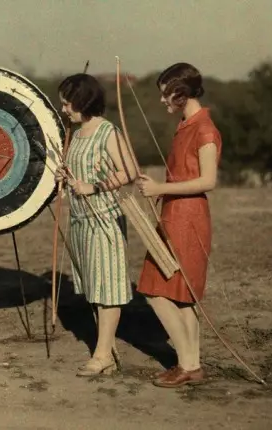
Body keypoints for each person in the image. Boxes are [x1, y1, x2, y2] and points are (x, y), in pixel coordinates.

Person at [136, 63, 222, 388]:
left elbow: (208, 181)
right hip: (177, 214)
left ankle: (186, 364)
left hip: (188, 219)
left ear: (181, 94)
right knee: (181, 294)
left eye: (165, 95)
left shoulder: (204, 129)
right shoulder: (188, 125)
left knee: (155, 290)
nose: (162, 101)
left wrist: (160, 188)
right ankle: (192, 365)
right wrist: (160, 187)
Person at [54, 73, 137, 376]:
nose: (64, 109)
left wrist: (94, 186)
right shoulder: (76, 134)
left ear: (83, 101)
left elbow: (129, 171)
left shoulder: (107, 131)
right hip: (80, 220)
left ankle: (102, 354)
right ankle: (108, 350)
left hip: (105, 220)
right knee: (94, 285)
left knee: (108, 286)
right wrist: (66, 177)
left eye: (67, 104)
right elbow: (77, 174)